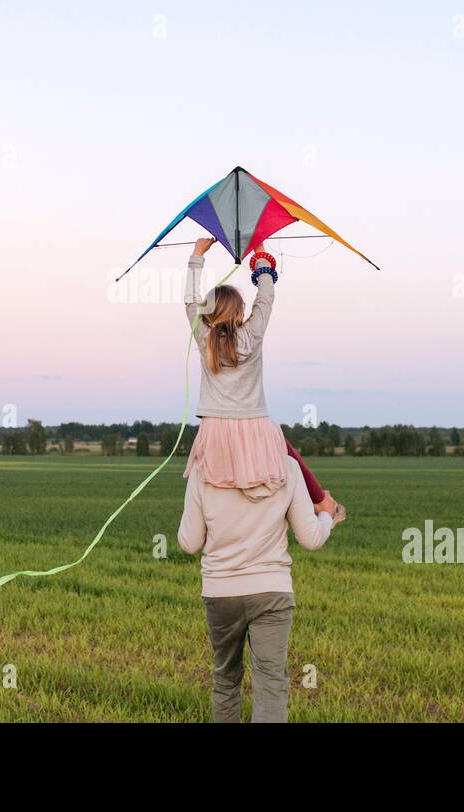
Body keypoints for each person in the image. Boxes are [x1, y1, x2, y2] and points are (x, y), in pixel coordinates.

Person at [176, 237, 343, 723]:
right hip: (272, 585)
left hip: (220, 591)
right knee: (273, 686)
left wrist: (198, 254)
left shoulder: (204, 470)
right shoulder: (283, 465)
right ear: (240, 317)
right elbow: (267, 300)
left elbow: (188, 544)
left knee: (224, 682)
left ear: (208, 320)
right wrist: (263, 264)